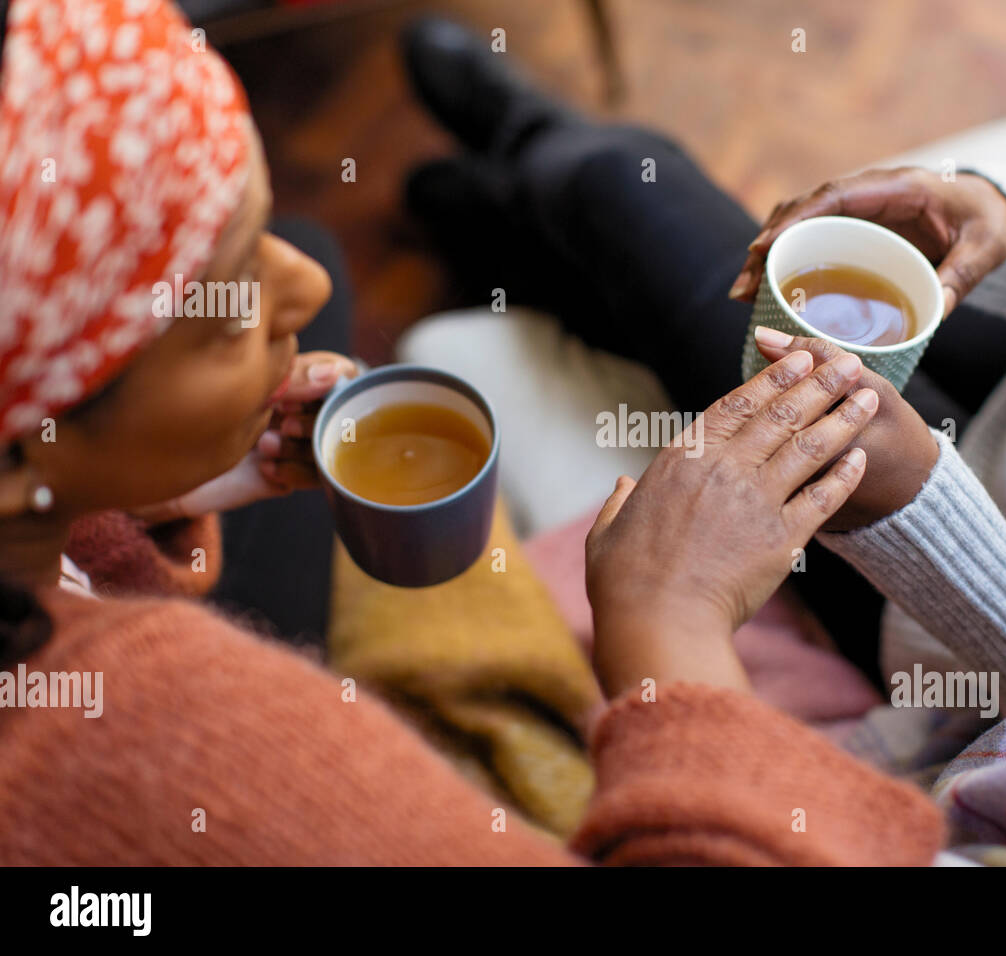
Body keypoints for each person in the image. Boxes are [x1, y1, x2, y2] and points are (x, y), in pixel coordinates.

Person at [0, 0, 943, 865]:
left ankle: (484, 206)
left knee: (340, 249)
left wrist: (165, 493)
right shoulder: (182, 749)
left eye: (255, 234)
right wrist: (672, 625)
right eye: (224, 314)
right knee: (607, 193)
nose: (307, 288)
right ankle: (502, 192)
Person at [400, 18, 1006, 719]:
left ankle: (515, 188)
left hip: (967, 598)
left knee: (617, 190)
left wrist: (914, 510)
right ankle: (512, 220)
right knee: (633, 204)